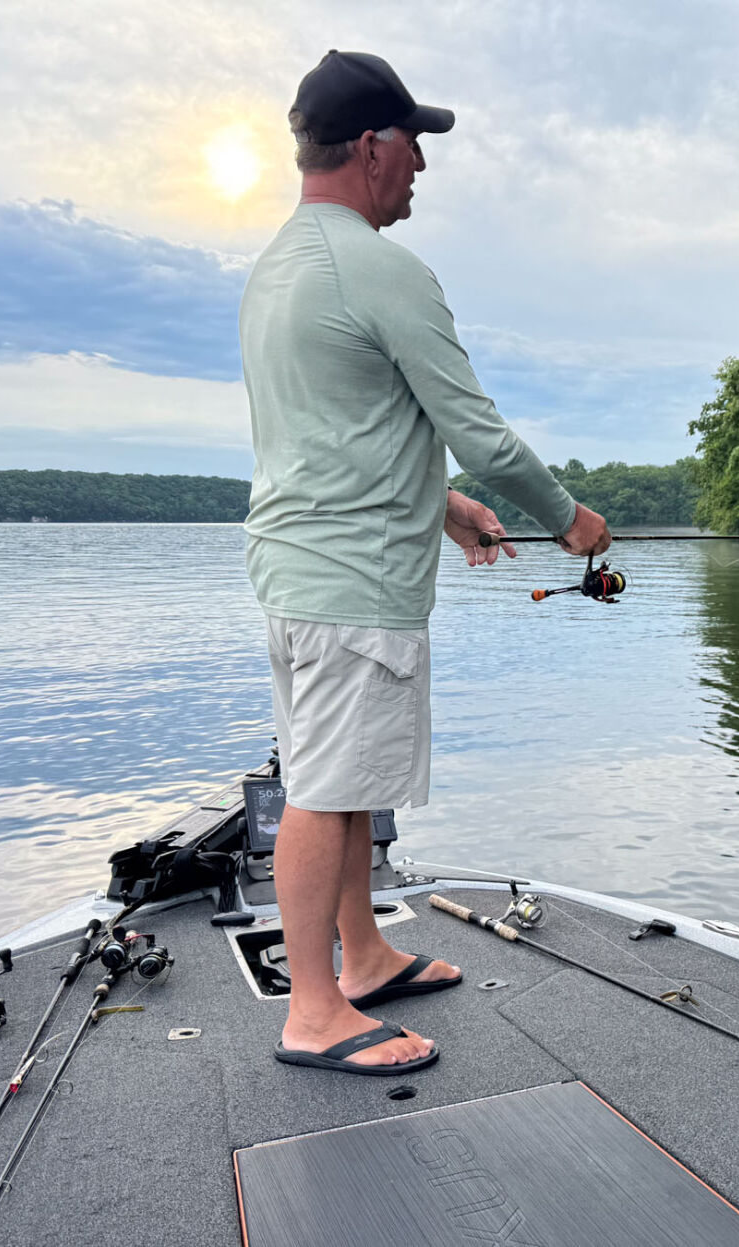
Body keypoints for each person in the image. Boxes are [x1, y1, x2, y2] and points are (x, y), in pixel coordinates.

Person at [239, 49, 611, 1074]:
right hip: (353, 585)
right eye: (413, 144)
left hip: (301, 571)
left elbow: (333, 430)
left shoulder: (276, 269)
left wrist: (444, 508)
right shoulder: (381, 267)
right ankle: (314, 1009)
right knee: (323, 791)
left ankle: (361, 954)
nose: (422, 166)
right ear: (370, 147)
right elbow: (481, 432)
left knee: (345, 776)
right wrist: (570, 519)